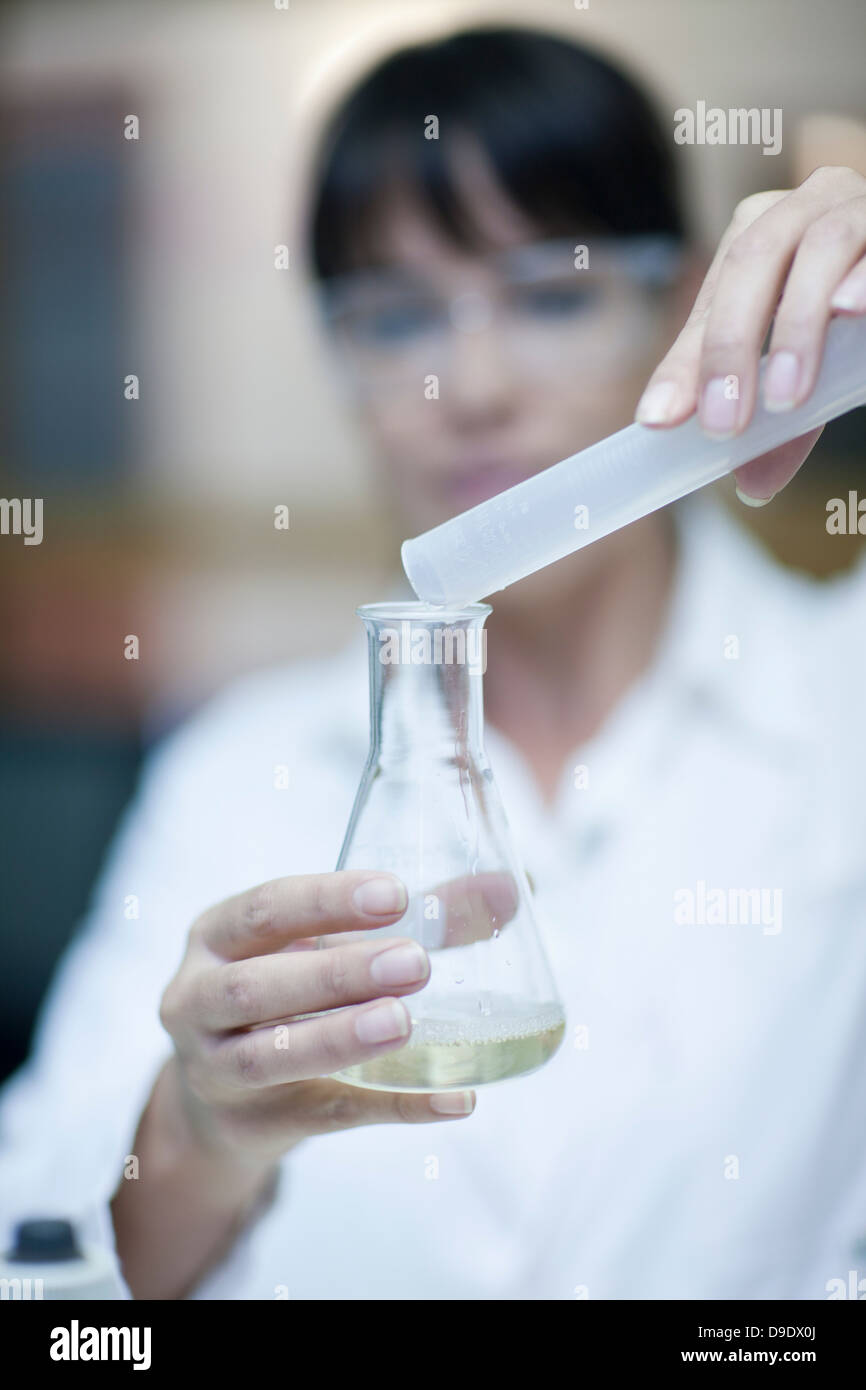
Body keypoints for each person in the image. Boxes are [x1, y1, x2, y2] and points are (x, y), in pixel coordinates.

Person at [2, 26, 866, 1301]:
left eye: (554, 292)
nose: (468, 385)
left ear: (687, 308)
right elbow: (37, 1280)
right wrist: (192, 1134)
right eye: (395, 315)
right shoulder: (235, 771)